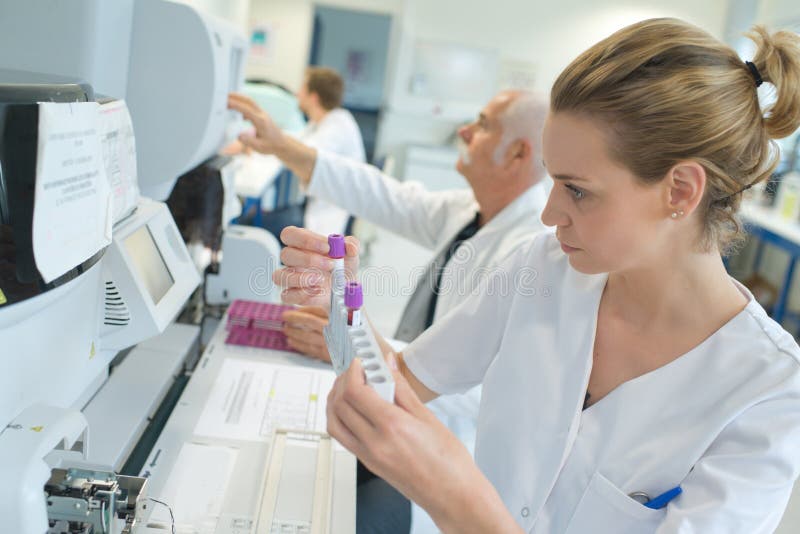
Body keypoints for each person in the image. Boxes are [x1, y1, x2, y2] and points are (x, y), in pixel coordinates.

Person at [246, 18, 800, 533]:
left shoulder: (767, 392)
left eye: (578, 190)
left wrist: (456, 498)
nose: (548, 212)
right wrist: (345, 303)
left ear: (680, 191)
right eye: (554, 182)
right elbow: (401, 386)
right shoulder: (543, 269)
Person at [229, 89, 549, 532]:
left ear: (517, 153)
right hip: (399, 417)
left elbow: (490, 389)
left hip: (449, 463)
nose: (463, 130)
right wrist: (282, 145)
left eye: (482, 124)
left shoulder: (535, 248)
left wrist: (364, 343)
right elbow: (387, 197)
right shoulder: (477, 211)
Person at [295, 66, 366, 235]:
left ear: (313, 97)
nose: (297, 94)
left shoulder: (338, 126)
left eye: (302, 89)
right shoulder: (322, 122)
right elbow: (296, 141)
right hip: (324, 201)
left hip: (334, 211)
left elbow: (302, 152)